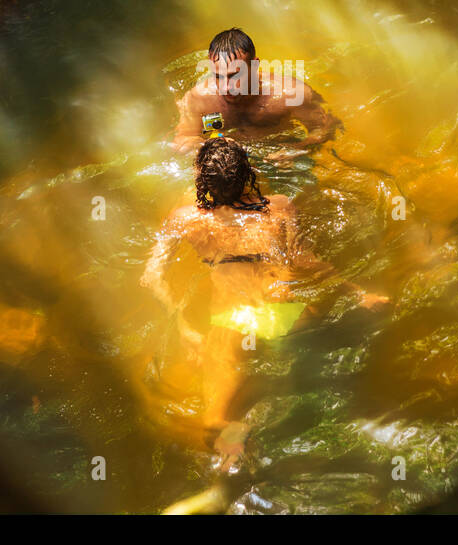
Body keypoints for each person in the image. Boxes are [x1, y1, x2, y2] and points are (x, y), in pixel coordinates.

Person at [141, 137, 384, 472]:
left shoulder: (184, 219)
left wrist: (182, 325)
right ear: (248, 174)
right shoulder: (279, 207)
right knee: (306, 376)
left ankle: (232, 449)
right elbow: (306, 262)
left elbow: (151, 277)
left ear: (203, 183)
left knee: (216, 413)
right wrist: (358, 293)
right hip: (284, 312)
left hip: (231, 319)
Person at [172, 28, 339, 155]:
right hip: (229, 164)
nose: (225, 87)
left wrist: (294, 151)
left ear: (255, 65)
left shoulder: (290, 93)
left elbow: (325, 129)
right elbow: (182, 140)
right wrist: (212, 147)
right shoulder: (199, 99)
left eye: (235, 75)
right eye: (218, 76)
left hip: (279, 156)